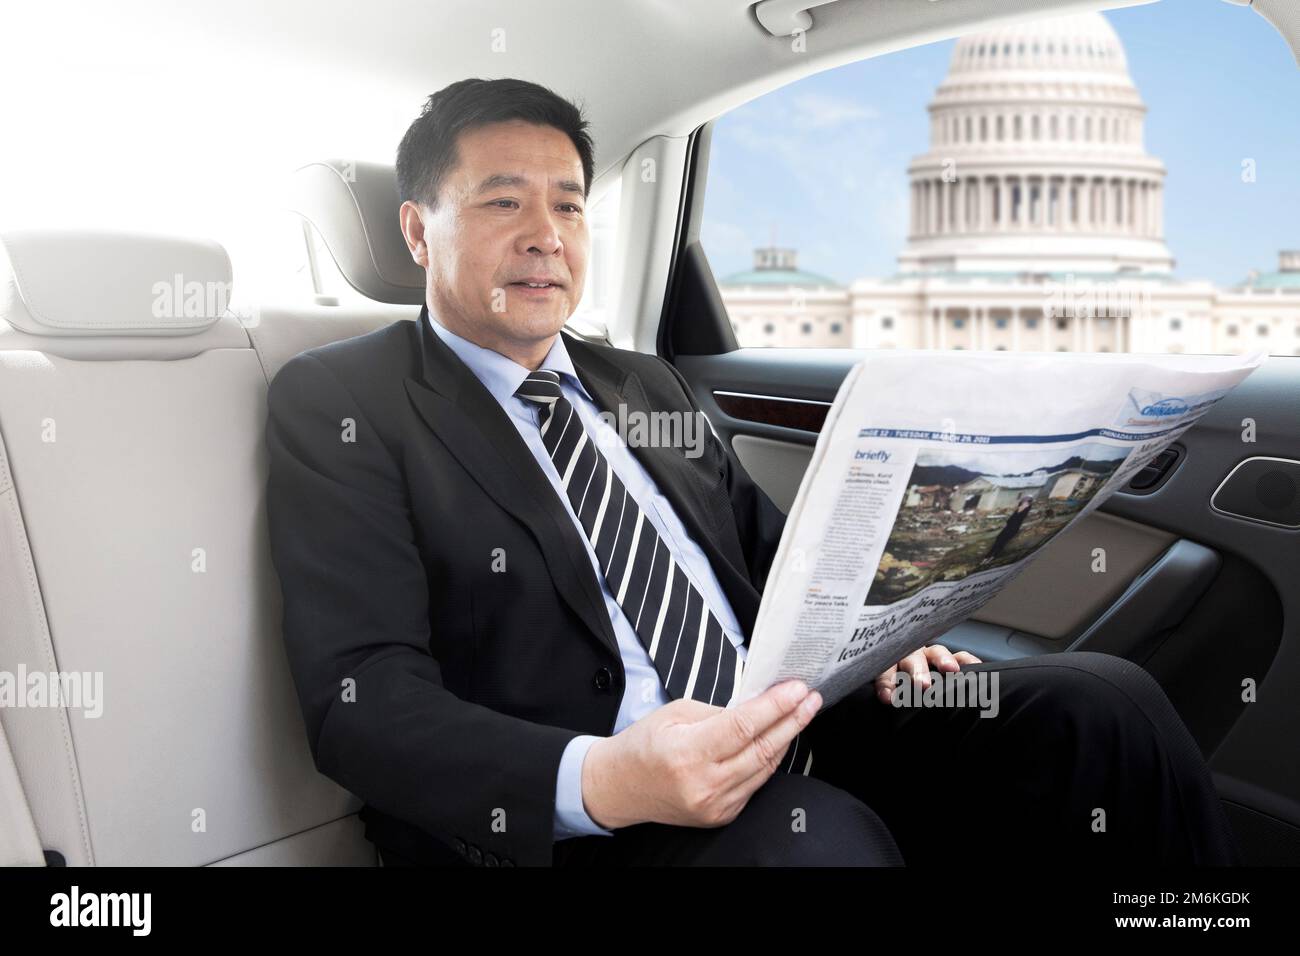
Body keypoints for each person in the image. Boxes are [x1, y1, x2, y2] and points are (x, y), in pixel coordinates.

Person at [264, 77, 1241, 867]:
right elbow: (363, 696)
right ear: (416, 230)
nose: (546, 235)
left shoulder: (641, 379)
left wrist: (886, 632)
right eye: (502, 202)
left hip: (802, 714)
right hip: (600, 797)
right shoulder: (345, 399)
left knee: (1100, 702)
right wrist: (606, 776)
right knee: (817, 846)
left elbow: (777, 554)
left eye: (568, 204)